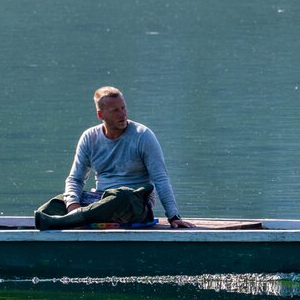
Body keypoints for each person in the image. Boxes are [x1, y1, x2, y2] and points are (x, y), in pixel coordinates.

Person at [36, 87, 192, 229]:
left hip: (134, 202)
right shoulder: (89, 137)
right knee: (53, 205)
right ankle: (74, 218)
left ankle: (70, 220)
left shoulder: (143, 135)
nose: (123, 114)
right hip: (99, 199)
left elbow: (160, 178)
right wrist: (73, 206)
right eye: (115, 110)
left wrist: (173, 216)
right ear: (100, 114)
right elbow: (75, 179)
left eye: (123, 108)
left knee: (120, 196)